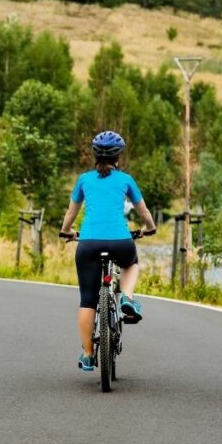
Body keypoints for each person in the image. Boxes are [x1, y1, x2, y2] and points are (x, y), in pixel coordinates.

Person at [60, 131, 157, 372]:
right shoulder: (125, 180)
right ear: (118, 156)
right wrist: (150, 229)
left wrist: (67, 231)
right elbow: (144, 212)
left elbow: (71, 214)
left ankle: (88, 355)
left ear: (94, 154)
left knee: (87, 301)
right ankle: (126, 297)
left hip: (88, 244)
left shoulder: (84, 180)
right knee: (131, 263)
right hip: (120, 241)